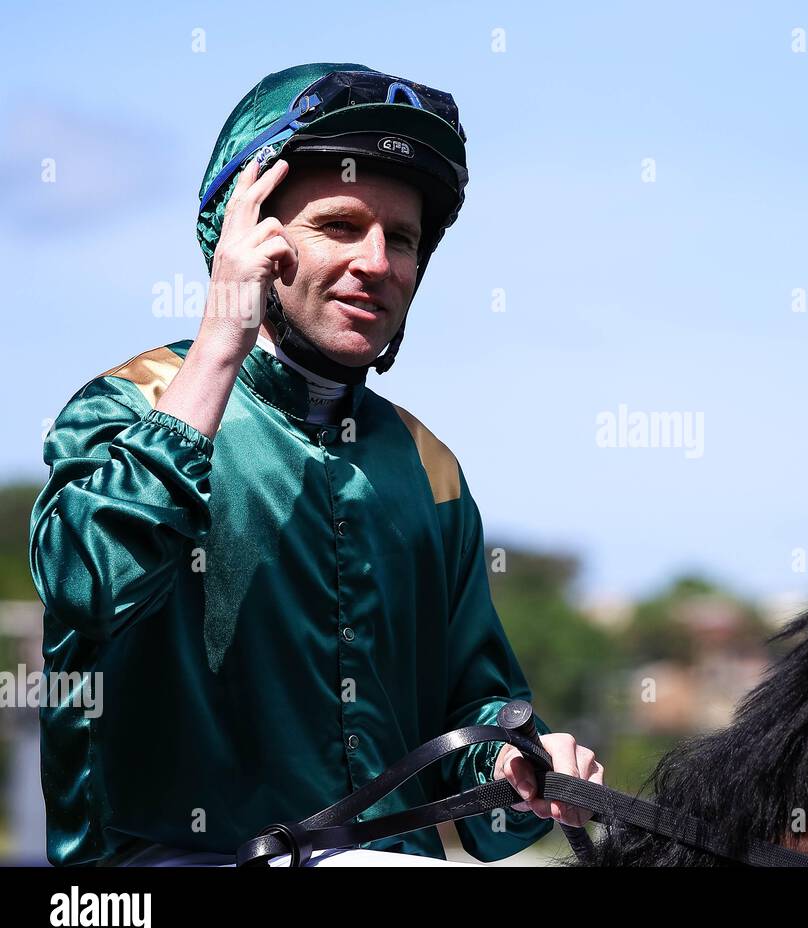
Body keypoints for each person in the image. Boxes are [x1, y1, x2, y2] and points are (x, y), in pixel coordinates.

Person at [28, 62, 601, 866]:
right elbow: (86, 587)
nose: (379, 263)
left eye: (400, 239)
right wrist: (223, 334)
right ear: (244, 237)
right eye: (339, 226)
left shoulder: (429, 467)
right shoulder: (124, 405)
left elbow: (474, 717)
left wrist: (518, 764)